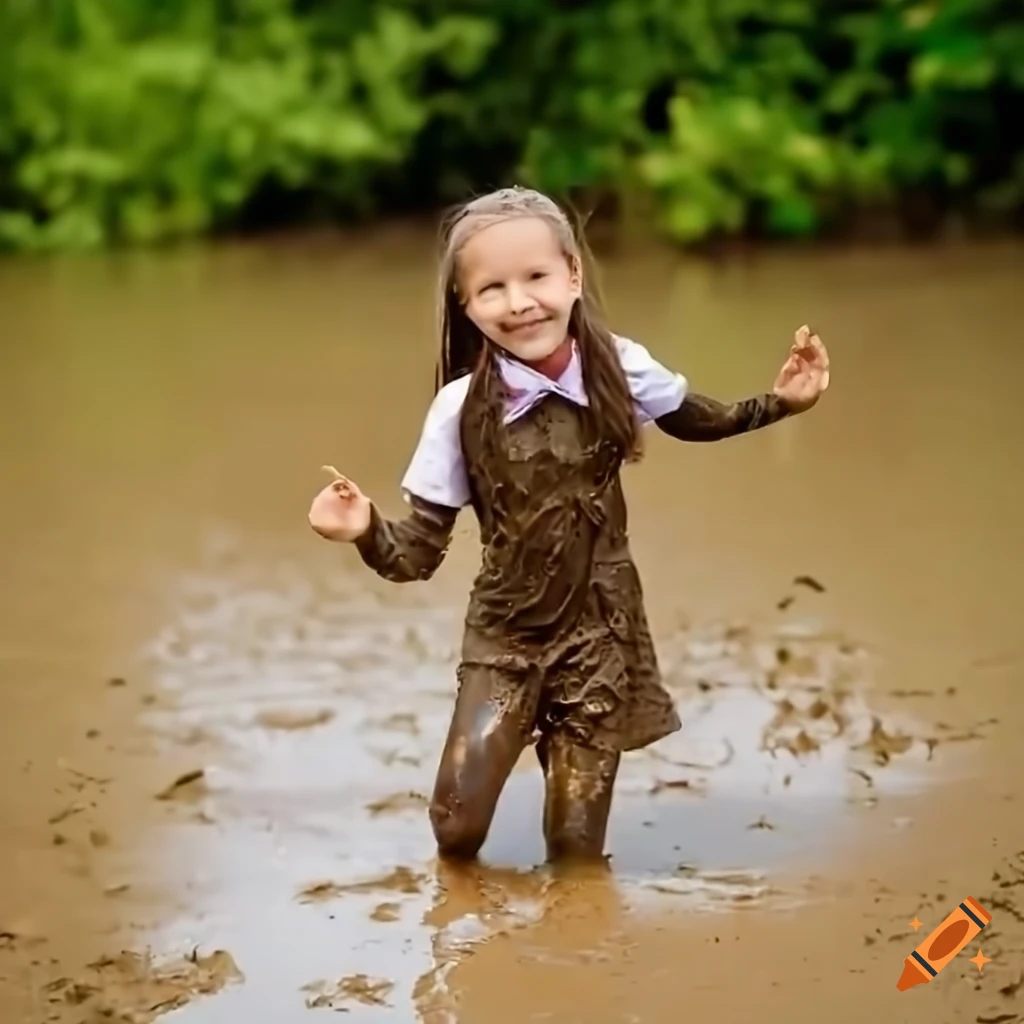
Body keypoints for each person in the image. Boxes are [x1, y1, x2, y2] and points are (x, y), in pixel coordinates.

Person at [308, 187, 830, 865]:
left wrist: (779, 405)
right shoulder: (459, 411)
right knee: (457, 826)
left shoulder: (619, 364)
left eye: (536, 277)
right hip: (507, 635)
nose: (520, 301)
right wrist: (366, 528)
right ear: (467, 307)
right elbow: (418, 555)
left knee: (577, 848)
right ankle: (463, 926)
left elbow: (697, 418)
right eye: (492, 288)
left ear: (574, 276)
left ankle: (575, 955)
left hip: (600, 636)